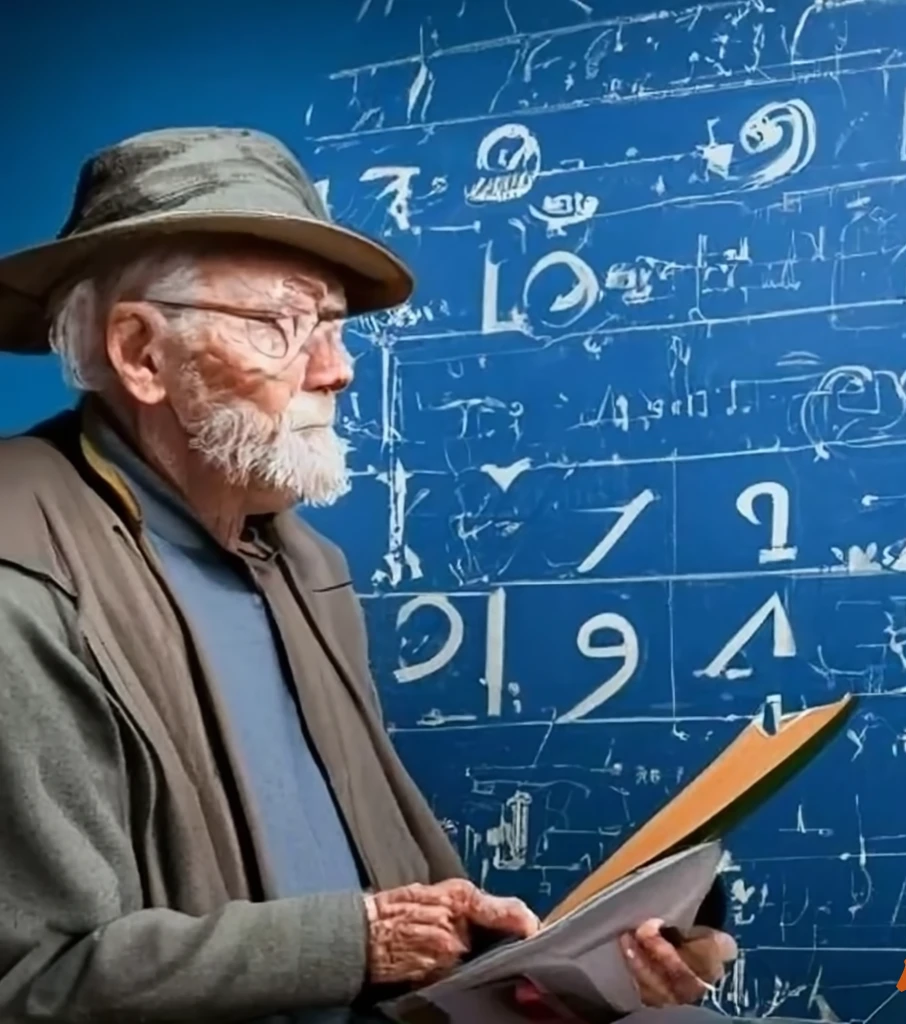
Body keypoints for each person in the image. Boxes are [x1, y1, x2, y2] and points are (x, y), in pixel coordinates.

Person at [0, 126, 737, 1022]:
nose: (339, 370)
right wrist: (359, 941)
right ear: (142, 354)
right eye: (283, 326)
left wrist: (566, 966)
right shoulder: (21, 575)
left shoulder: (305, 566)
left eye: (336, 327)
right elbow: (33, 984)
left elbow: (386, 892)